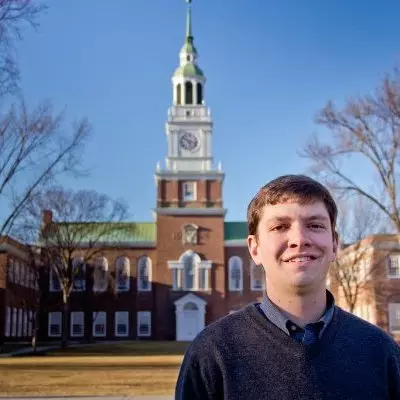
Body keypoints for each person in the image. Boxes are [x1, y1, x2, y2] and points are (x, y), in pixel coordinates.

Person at [175, 174, 400, 399]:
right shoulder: (212, 354)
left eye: (315, 225)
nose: (299, 239)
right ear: (255, 249)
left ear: (334, 244)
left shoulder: (381, 352)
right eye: (280, 226)